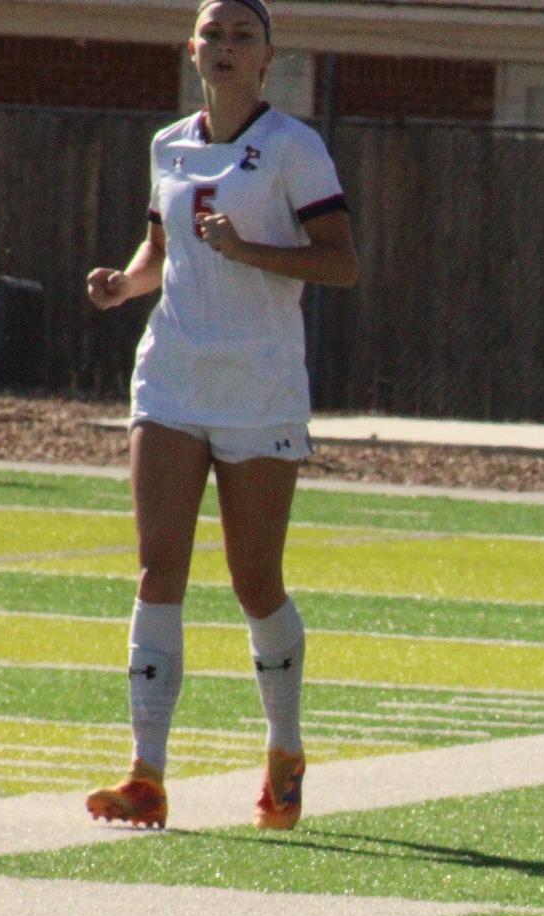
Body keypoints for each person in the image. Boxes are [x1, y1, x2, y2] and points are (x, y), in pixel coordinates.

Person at [82, 0, 358, 831]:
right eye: (213, 33)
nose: (226, 46)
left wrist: (248, 250)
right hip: (169, 380)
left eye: (243, 34)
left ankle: (284, 752)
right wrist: (125, 285)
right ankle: (147, 773)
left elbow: (341, 264)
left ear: (269, 56)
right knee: (157, 569)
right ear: (191, 49)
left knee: (254, 580)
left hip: (259, 389)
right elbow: (161, 253)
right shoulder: (169, 144)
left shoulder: (293, 148)